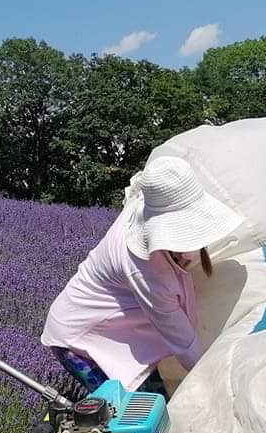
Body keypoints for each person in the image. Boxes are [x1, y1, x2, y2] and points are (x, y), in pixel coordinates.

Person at [41, 156, 242, 396]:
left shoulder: (147, 203)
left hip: (118, 330)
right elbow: (184, 341)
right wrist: (219, 387)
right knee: (138, 409)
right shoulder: (146, 270)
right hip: (80, 339)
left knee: (153, 401)